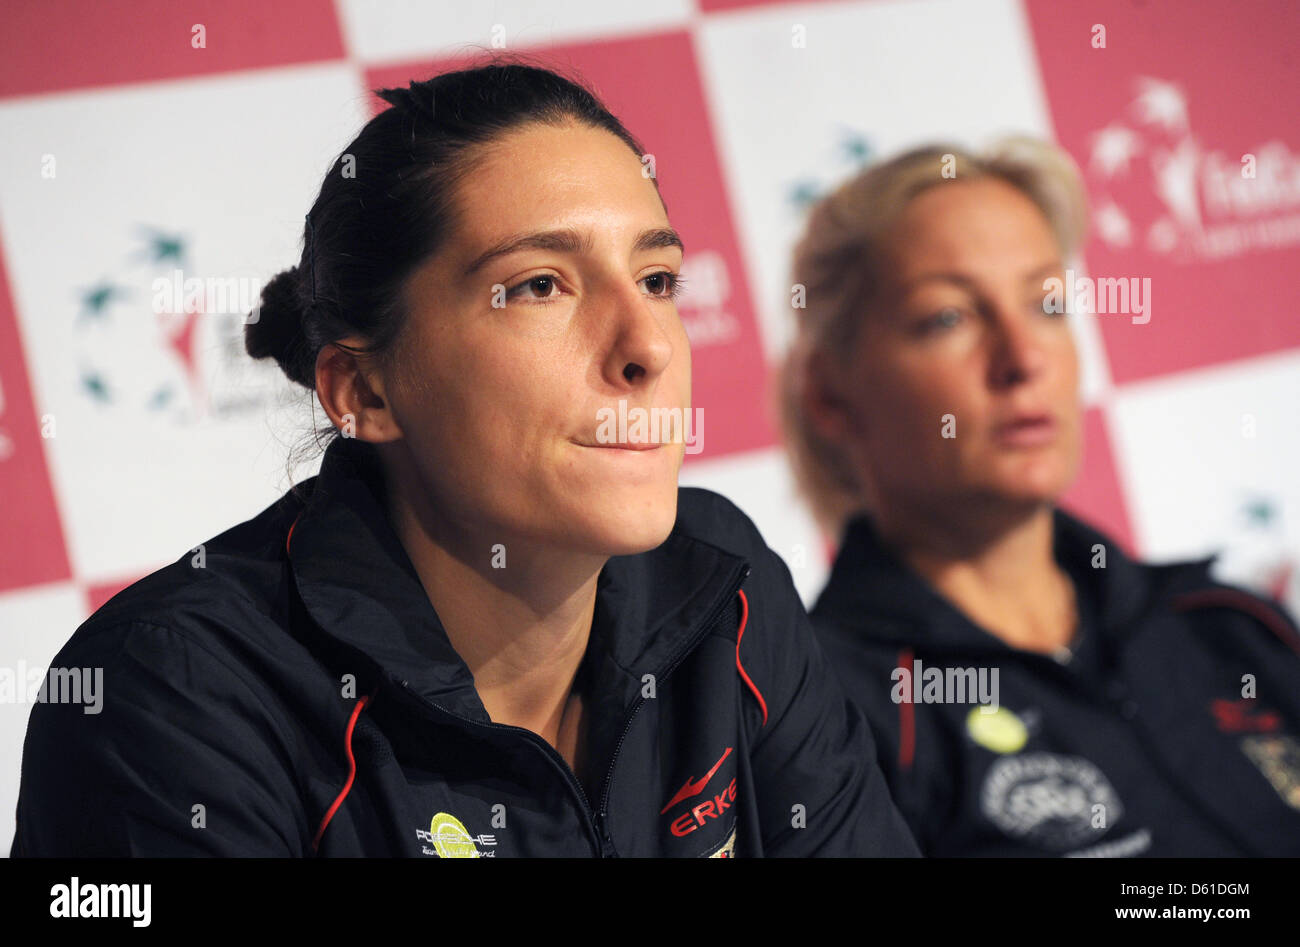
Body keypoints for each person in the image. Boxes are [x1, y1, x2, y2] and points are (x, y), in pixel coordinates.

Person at [11, 57, 918, 858]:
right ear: (364, 391)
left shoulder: (725, 582)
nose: (647, 346)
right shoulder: (175, 695)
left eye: (657, 279)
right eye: (538, 285)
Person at [778, 138, 1300, 857]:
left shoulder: (1231, 628)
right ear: (831, 395)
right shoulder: (825, 720)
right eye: (949, 317)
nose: (1024, 358)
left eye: (1047, 304)